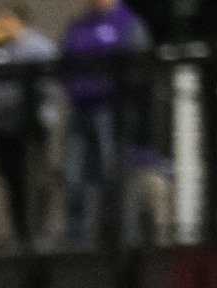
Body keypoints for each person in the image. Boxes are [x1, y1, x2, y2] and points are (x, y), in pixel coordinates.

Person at [59, 0, 152, 248]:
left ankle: (125, 241)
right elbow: (63, 59)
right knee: (73, 176)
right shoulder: (80, 24)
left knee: (114, 175)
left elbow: (140, 66)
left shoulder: (127, 22)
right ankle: (75, 242)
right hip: (80, 110)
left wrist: (116, 92)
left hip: (112, 111)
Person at [0, 4, 60, 245]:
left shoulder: (39, 46)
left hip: (30, 125)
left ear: (19, 21)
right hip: (2, 126)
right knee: (12, 180)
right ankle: (20, 234)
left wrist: (42, 116)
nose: (3, 24)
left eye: (8, 19)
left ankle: (37, 234)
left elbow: (49, 85)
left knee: (33, 179)